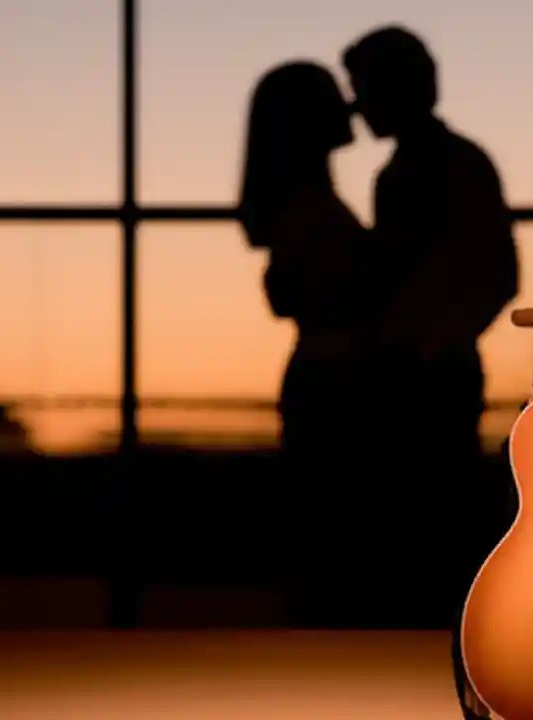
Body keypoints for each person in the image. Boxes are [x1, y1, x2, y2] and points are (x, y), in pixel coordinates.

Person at [340, 23, 519, 714]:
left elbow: (494, 272)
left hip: (431, 372)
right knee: (413, 522)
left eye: (364, 89)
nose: (358, 106)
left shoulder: (448, 167)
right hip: (411, 368)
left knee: (432, 519)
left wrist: (436, 340)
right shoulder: (421, 168)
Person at [238, 60, 381, 626]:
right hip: (335, 381)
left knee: (325, 530)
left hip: (323, 376)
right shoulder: (310, 208)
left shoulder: (303, 203)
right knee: (335, 532)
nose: (350, 106)